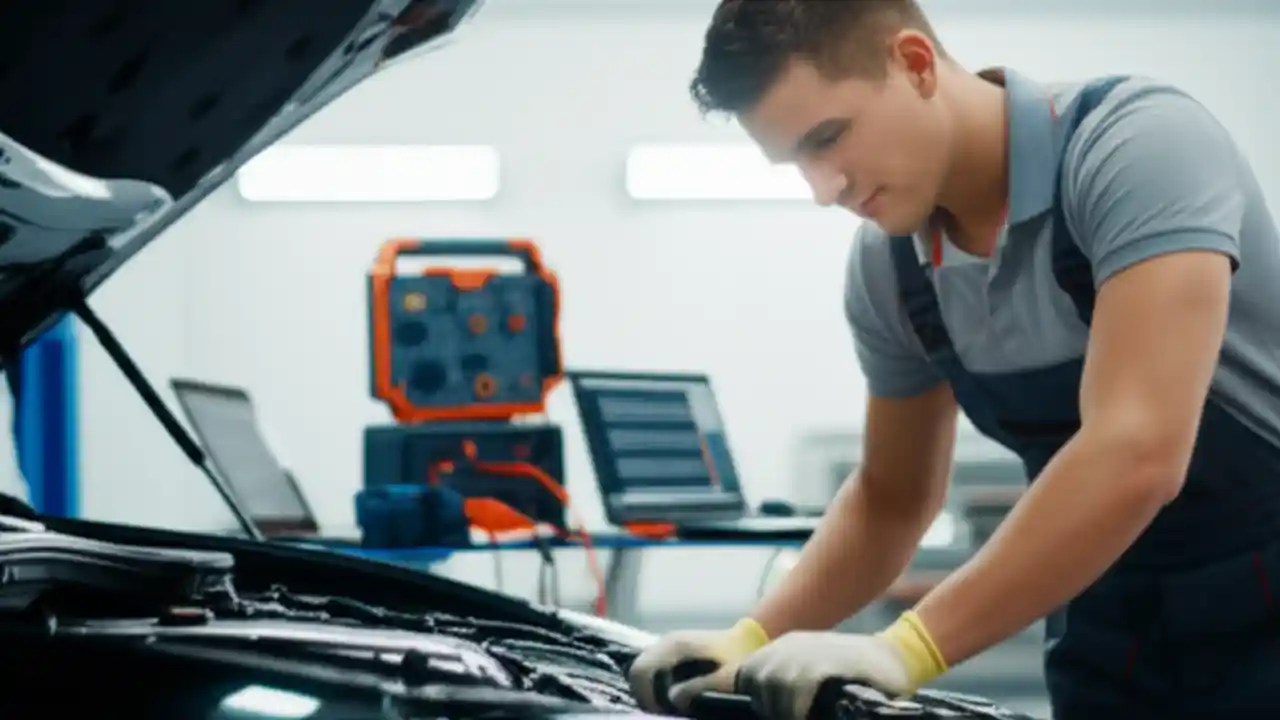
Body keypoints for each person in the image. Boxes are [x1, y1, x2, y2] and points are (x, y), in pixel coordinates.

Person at [626, 1, 1280, 719]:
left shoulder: (1138, 147)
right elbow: (891, 497)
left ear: (913, 63)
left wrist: (907, 648)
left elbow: (1139, 450)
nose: (823, 191)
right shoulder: (892, 269)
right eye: (797, 163)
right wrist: (750, 636)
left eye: (830, 137)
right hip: (1106, 613)